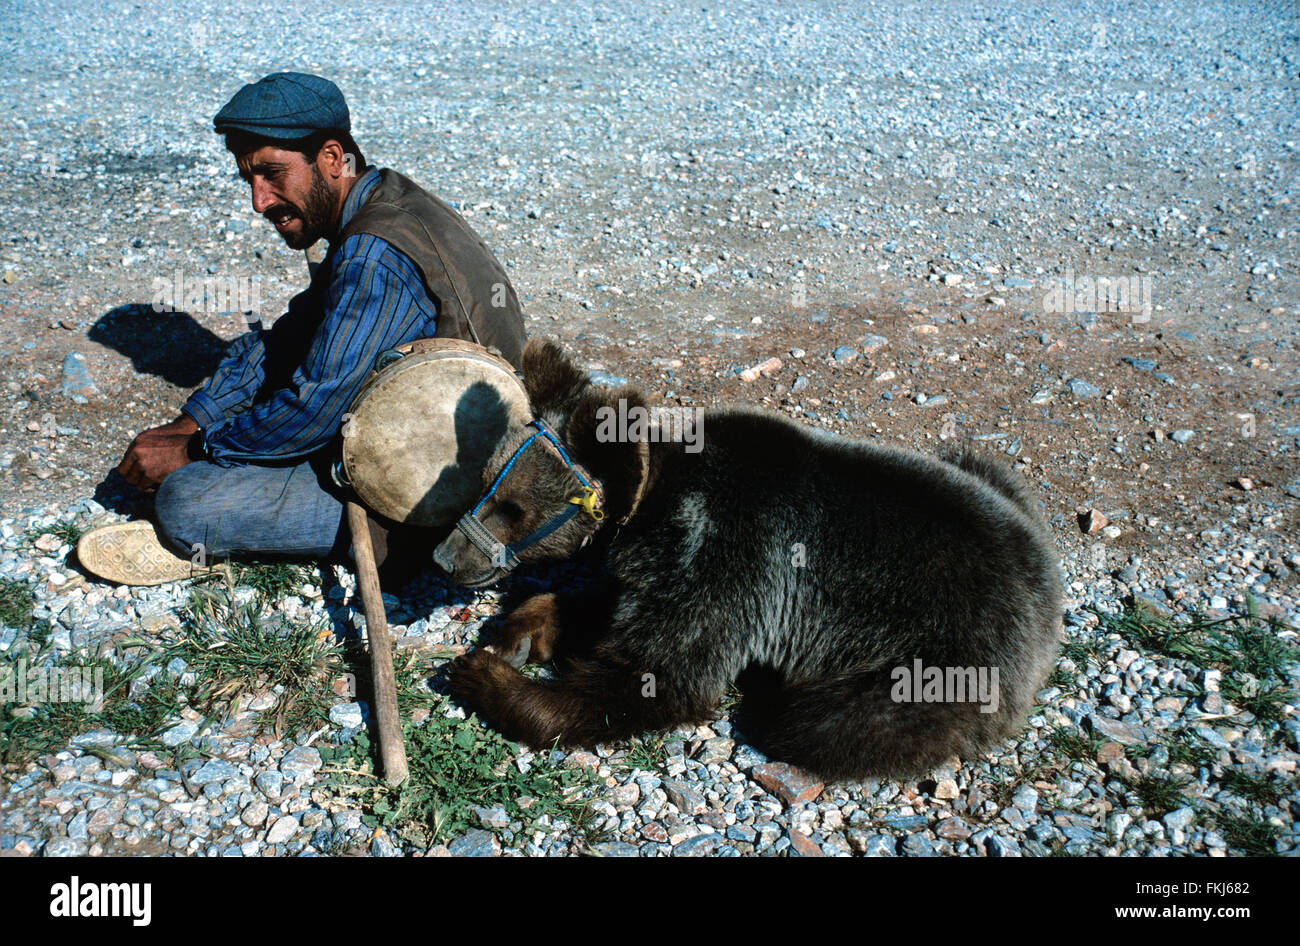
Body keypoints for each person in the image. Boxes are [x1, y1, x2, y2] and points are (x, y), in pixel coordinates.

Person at [78, 72, 527, 586]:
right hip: (415, 420)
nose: (259, 201)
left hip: (441, 483)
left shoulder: (372, 256)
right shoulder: (380, 197)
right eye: (248, 178)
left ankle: (401, 549)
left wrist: (195, 452)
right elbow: (286, 340)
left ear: (332, 159)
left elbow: (314, 408)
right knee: (256, 367)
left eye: (272, 174)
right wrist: (194, 420)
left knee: (187, 501)